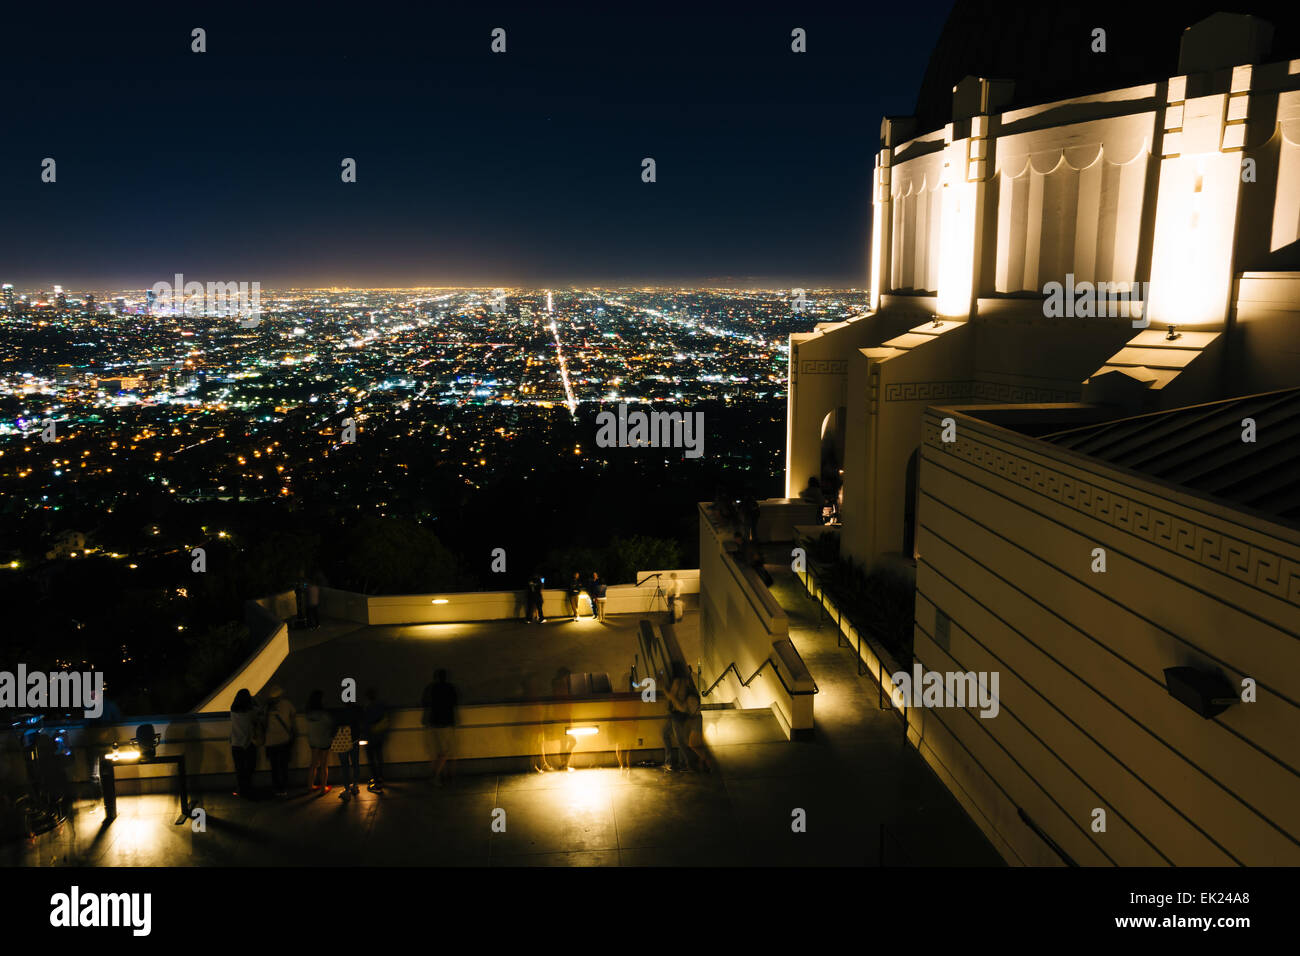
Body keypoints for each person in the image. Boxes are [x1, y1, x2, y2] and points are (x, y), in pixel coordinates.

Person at [422, 669, 458, 785]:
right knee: (447, 751)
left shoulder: (430, 689)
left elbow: (425, 703)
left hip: (434, 723)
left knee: (438, 752)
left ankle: (440, 775)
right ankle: (439, 776)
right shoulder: (449, 688)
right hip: (447, 722)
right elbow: (454, 702)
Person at [262, 685, 296, 797]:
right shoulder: (287, 704)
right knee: (284, 766)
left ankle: (277, 789)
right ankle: (284, 788)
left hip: (270, 742)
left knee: (274, 767)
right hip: (284, 740)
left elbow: (263, 724)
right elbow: (293, 717)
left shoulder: (266, 707)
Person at [229, 688, 258, 798]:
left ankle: (241, 789)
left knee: (239, 768)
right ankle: (248, 788)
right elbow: (258, 715)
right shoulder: (251, 712)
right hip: (249, 743)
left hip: (236, 744)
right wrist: (254, 700)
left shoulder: (233, 711)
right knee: (250, 767)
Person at [304, 689, 334, 792]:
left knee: (313, 763)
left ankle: (310, 786)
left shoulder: (308, 714)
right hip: (324, 740)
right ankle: (323, 788)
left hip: (313, 741)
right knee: (324, 764)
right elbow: (330, 725)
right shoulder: (325, 715)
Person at [332, 701, 362, 801]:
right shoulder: (356, 710)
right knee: (355, 763)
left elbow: (333, 727)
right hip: (354, 740)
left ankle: (347, 790)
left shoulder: (337, 710)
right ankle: (355, 786)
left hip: (341, 741)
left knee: (345, 765)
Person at [362, 687, 389, 793]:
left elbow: (366, 724)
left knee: (371, 760)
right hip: (380, 736)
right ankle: (381, 778)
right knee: (379, 757)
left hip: (370, 737)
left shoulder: (367, 708)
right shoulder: (381, 706)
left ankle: (376, 782)